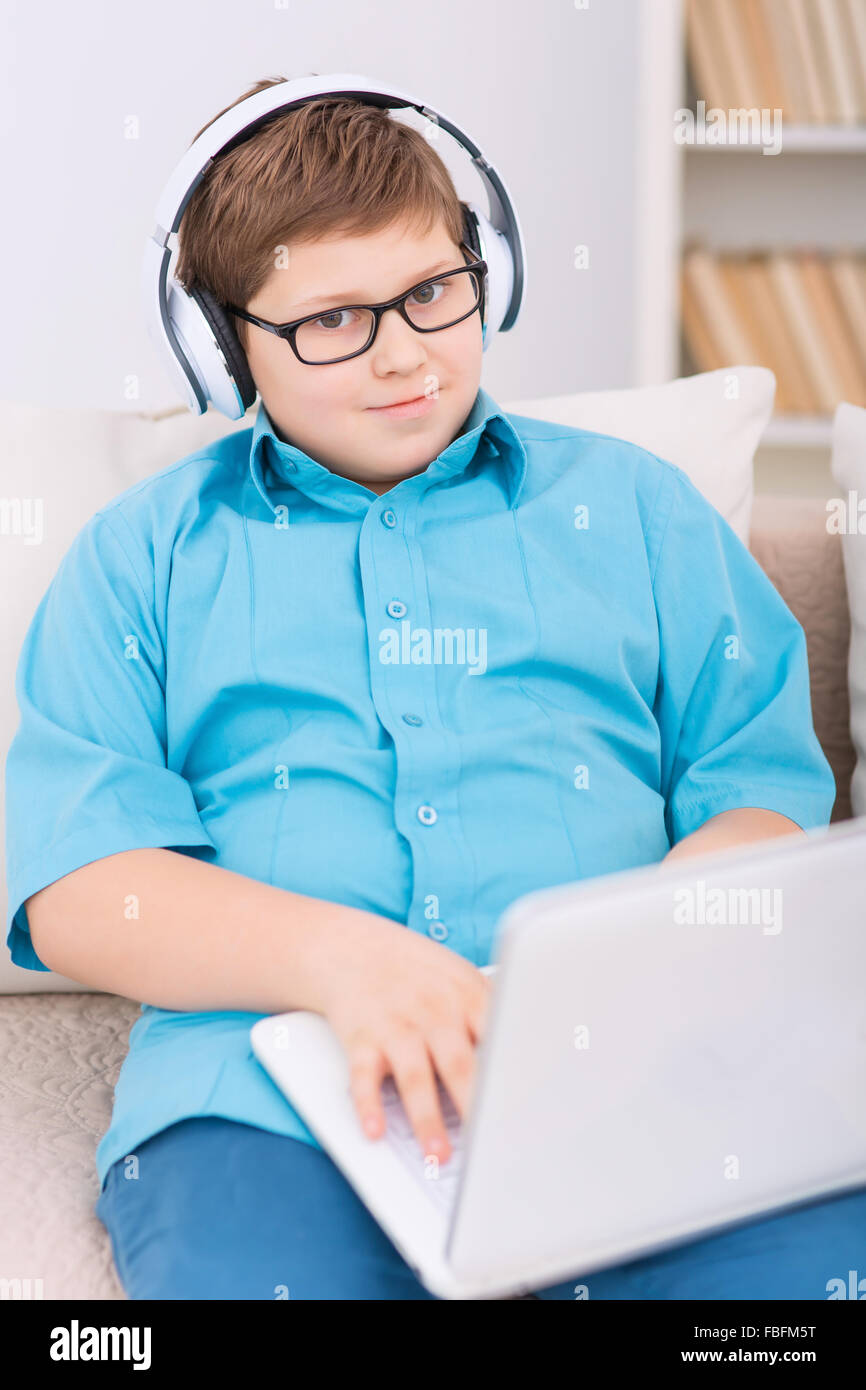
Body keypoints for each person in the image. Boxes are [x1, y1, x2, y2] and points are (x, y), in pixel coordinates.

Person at [5, 77, 858, 1300]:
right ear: (223, 340)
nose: (405, 352)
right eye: (333, 322)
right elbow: (86, 886)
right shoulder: (143, 554)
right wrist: (348, 964)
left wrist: (641, 965)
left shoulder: (636, 511)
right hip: (264, 1103)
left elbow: (758, 784)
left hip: (638, 1079)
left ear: (484, 270)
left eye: (430, 293)